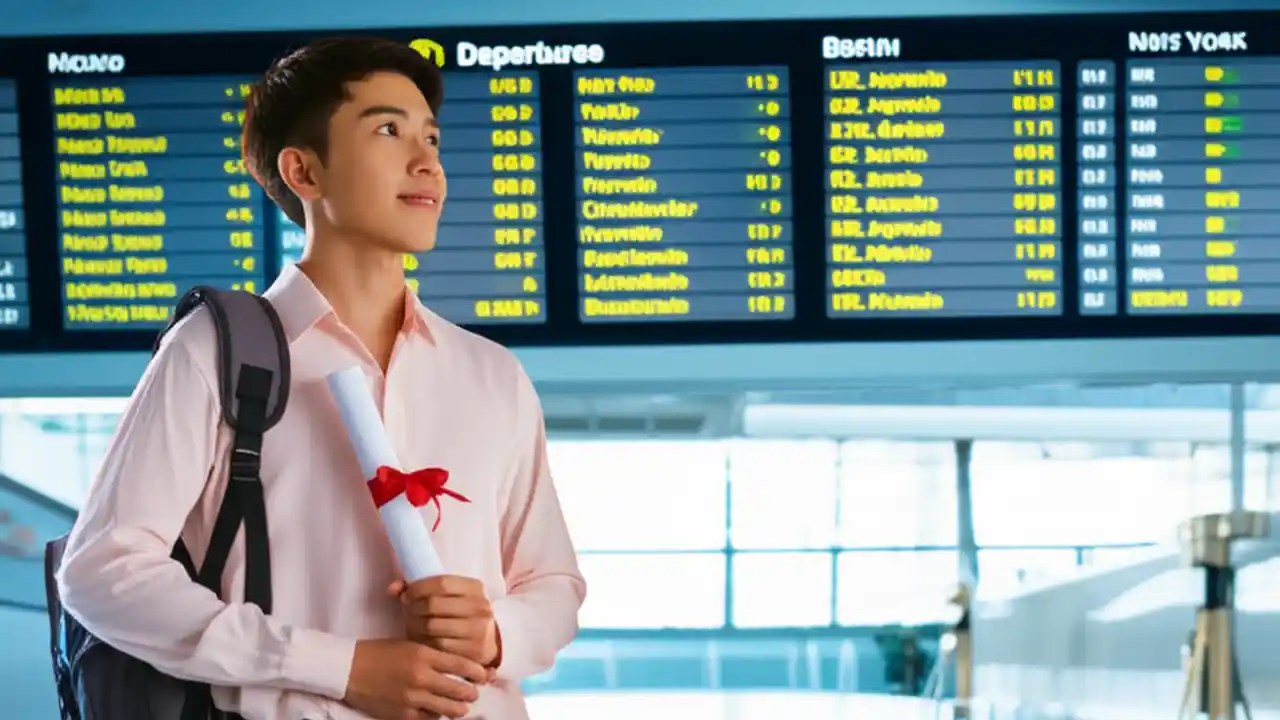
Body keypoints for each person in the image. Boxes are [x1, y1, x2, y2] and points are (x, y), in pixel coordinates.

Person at [56, 36, 586, 720]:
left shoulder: (491, 374)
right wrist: (343, 668)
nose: (427, 161)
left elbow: (553, 585)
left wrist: (493, 633)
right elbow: (103, 570)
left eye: (431, 137)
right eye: (388, 130)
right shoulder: (214, 352)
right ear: (303, 171)